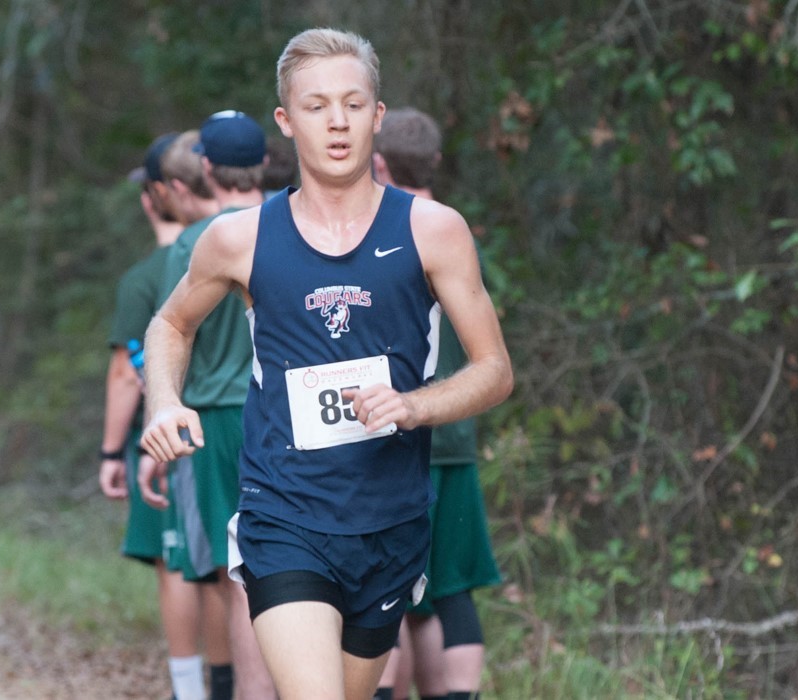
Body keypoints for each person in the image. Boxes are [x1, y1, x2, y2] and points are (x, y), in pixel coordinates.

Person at [140, 28, 513, 700]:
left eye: (351, 103)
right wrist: (165, 400)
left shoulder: (434, 231)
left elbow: (495, 371)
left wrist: (416, 404)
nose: (336, 122)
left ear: (377, 114)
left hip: (391, 525)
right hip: (282, 517)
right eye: (315, 106)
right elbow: (170, 323)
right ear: (286, 122)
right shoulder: (240, 238)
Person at [139, 111, 277, 699]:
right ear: (267, 162)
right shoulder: (291, 226)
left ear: (205, 168)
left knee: (235, 576)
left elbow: (171, 338)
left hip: (214, 419)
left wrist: (160, 422)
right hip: (279, 414)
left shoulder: (193, 244)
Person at [370, 108, 502, 700]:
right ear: (436, 162)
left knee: (382, 590)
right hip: (455, 437)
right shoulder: (457, 230)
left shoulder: (381, 234)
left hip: (390, 436)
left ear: (377, 162)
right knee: (450, 591)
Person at [99, 133, 234, 700]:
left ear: (159, 193)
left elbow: (129, 372)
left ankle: (195, 688)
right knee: (230, 566)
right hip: (249, 424)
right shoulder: (247, 239)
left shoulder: (150, 275)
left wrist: (112, 451)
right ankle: (232, 681)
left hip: (183, 431)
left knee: (181, 561)